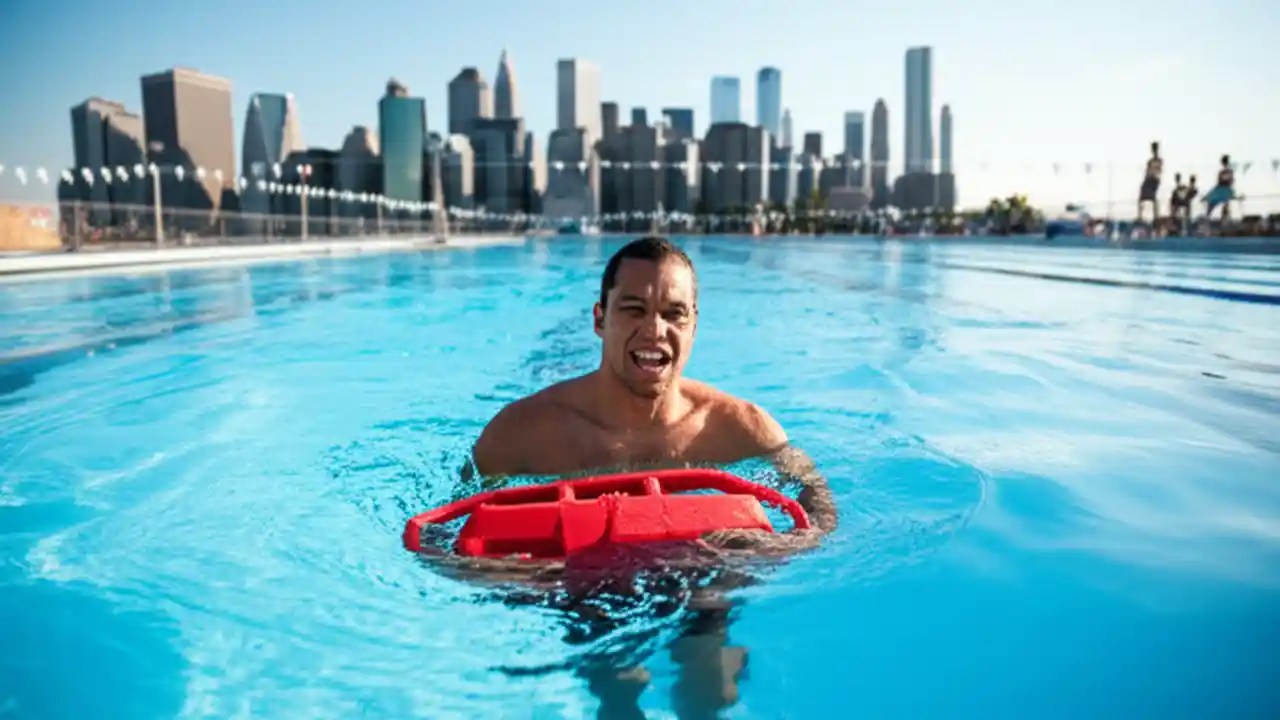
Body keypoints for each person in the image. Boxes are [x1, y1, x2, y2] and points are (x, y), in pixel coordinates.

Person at [455, 236, 838, 718]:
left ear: (694, 325)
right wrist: (518, 577)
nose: (654, 330)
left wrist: (778, 548)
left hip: (701, 577)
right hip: (580, 586)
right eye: (633, 309)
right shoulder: (523, 433)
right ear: (600, 320)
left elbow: (817, 499)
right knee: (616, 690)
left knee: (710, 691)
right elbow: (445, 529)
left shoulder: (738, 426)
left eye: (674, 314)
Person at [1203, 154, 1237, 225]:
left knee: (1225, 203)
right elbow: (1219, 183)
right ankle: (1207, 219)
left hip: (1226, 190)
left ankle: (1225, 219)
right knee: (1211, 202)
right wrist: (1208, 195)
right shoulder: (1221, 172)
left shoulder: (1229, 171)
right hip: (1220, 189)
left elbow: (1231, 181)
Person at [1137, 141, 1163, 225]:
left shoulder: (1157, 160)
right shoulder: (1151, 160)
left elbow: (1157, 170)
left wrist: (1153, 176)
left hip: (1153, 180)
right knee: (1142, 198)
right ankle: (1141, 216)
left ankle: (1155, 216)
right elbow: (1148, 170)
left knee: (1152, 198)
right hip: (1150, 179)